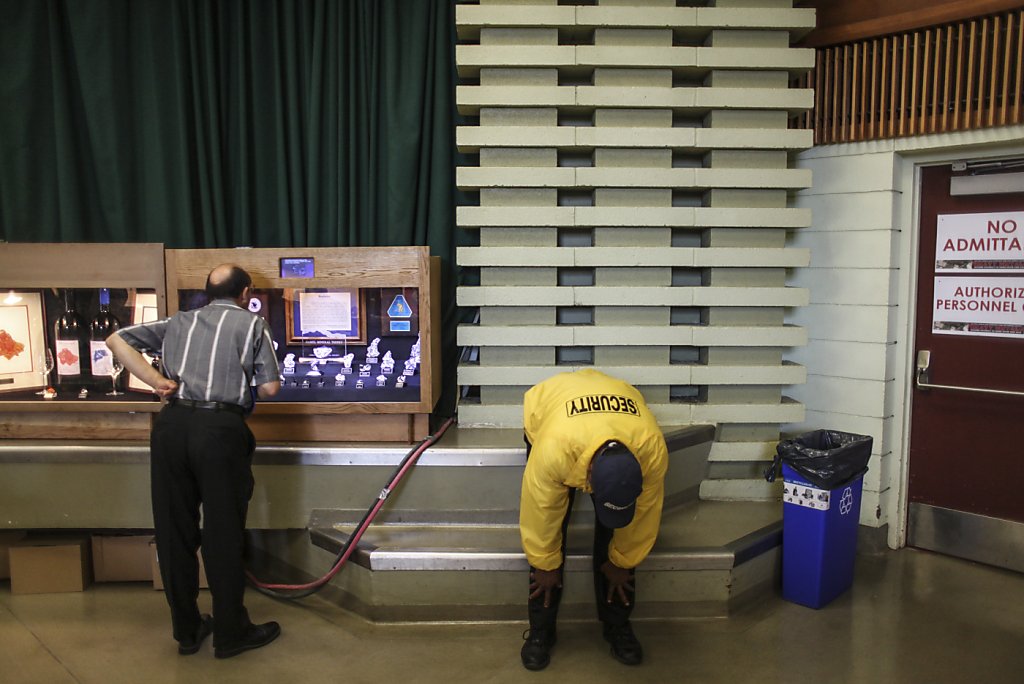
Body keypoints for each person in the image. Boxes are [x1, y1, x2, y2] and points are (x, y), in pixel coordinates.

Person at [107, 264, 282, 659]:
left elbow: (115, 339)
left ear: (206, 292)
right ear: (245, 292)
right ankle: (230, 633)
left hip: (171, 428)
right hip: (219, 429)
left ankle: (187, 631)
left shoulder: (179, 321)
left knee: (174, 531)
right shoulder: (253, 325)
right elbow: (269, 388)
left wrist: (157, 381)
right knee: (222, 531)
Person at [518, 369, 668, 671]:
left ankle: (617, 625)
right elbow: (540, 512)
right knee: (549, 541)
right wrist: (545, 564)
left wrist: (622, 562)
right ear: (587, 479)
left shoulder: (651, 451)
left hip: (618, 412)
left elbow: (644, 513)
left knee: (617, 547)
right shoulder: (554, 451)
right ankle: (541, 630)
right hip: (550, 408)